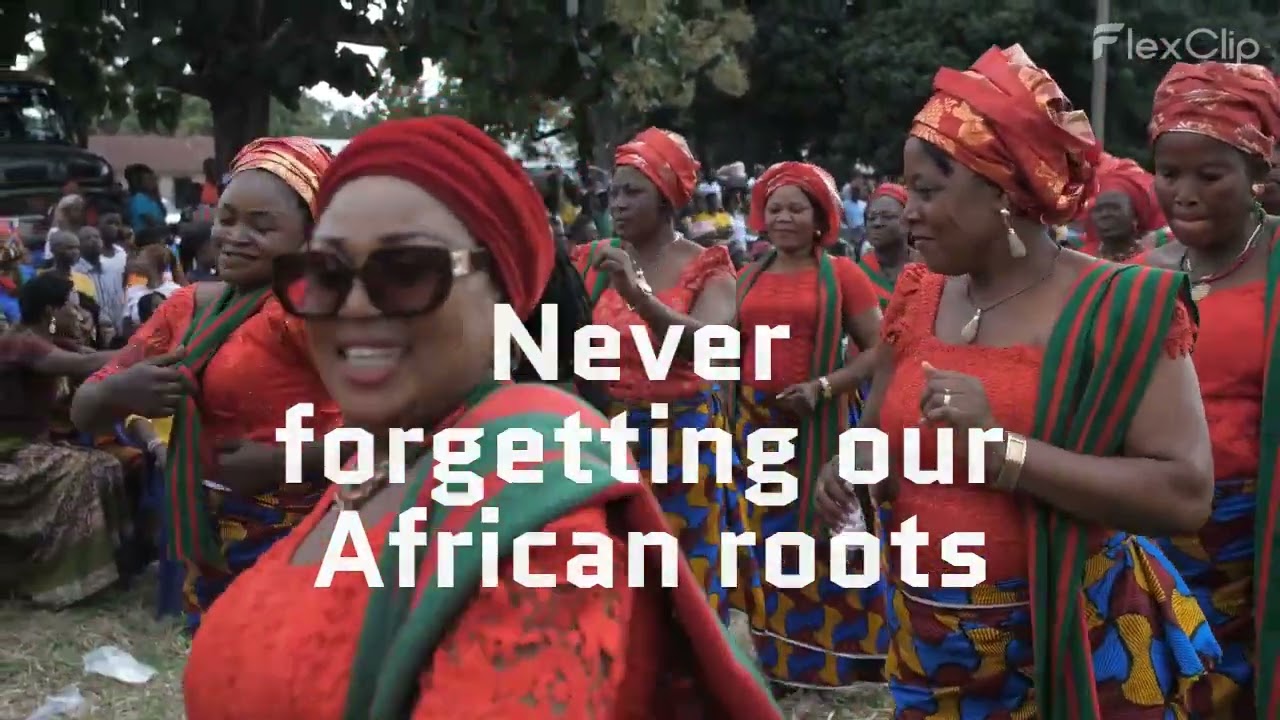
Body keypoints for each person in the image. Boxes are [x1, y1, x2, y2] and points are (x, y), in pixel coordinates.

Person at [182, 115, 782, 720]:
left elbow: (717, 350)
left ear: (502, 293)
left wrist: (641, 298)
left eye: (408, 271)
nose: (354, 307)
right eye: (325, 273)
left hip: (674, 440)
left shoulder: (537, 525)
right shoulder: (381, 464)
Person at [816, 45, 1220, 719]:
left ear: (1002, 191)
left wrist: (1005, 451)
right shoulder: (917, 295)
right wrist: (851, 467)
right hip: (931, 645)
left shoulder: (1121, 306)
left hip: (1075, 644)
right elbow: (879, 431)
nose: (907, 211)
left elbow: (1184, 495)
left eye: (928, 190)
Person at [69, 137, 342, 632]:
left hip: (300, 534)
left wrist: (285, 460)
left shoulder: (315, 316)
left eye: (262, 226)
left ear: (312, 235)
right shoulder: (186, 307)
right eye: (227, 218)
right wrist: (118, 392)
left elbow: (403, 431)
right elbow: (85, 407)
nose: (234, 236)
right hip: (203, 528)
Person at [1137, 61, 1280, 720]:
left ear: (1259, 175)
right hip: (1155, 526)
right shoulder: (1139, 278)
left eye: (1210, 175)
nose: (1184, 194)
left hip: (1255, 535)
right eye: (1169, 174)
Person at [573, 127, 759, 626]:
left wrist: (640, 298)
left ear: (666, 198)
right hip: (607, 447)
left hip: (682, 448)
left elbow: (714, 345)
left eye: (633, 192)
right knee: (617, 591)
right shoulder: (593, 262)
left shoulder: (707, 266)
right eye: (614, 192)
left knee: (687, 594)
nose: (618, 203)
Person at [733, 161, 887, 690]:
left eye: (796, 209)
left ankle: (853, 662)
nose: (783, 218)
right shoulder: (747, 275)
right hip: (758, 427)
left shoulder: (843, 274)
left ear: (820, 218)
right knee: (769, 542)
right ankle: (784, 663)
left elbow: (882, 350)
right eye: (774, 208)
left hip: (819, 425)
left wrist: (824, 386)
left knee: (829, 534)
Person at [0, 274, 127, 607]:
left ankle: (114, 567)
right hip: (8, 451)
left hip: (30, 448)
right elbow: (85, 363)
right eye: (73, 308)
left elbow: (90, 355)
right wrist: (144, 349)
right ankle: (57, 580)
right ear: (50, 312)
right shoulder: (20, 342)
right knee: (82, 471)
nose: (81, 315)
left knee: (107, 465)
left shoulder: (51, 340)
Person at [1081, 153, 1166, 261]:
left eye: (1114, 208)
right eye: (1099, 210)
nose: (1105, 214)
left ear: (1134, 217)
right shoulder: (1082, 258)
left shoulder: (1160, 254)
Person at [859, 182, 912, 307]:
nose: (877, 223)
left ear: (908, 221)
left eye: (887, 217)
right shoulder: (857, 274)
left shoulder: (929, 268)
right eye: (871, 218)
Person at [75, 225, 127, 344]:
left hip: (119, 329)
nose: (94, 240)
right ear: (78, 245)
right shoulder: (76, 272)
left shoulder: (111, 269)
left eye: (97, 237)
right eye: (87, 238)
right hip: (95, 334)